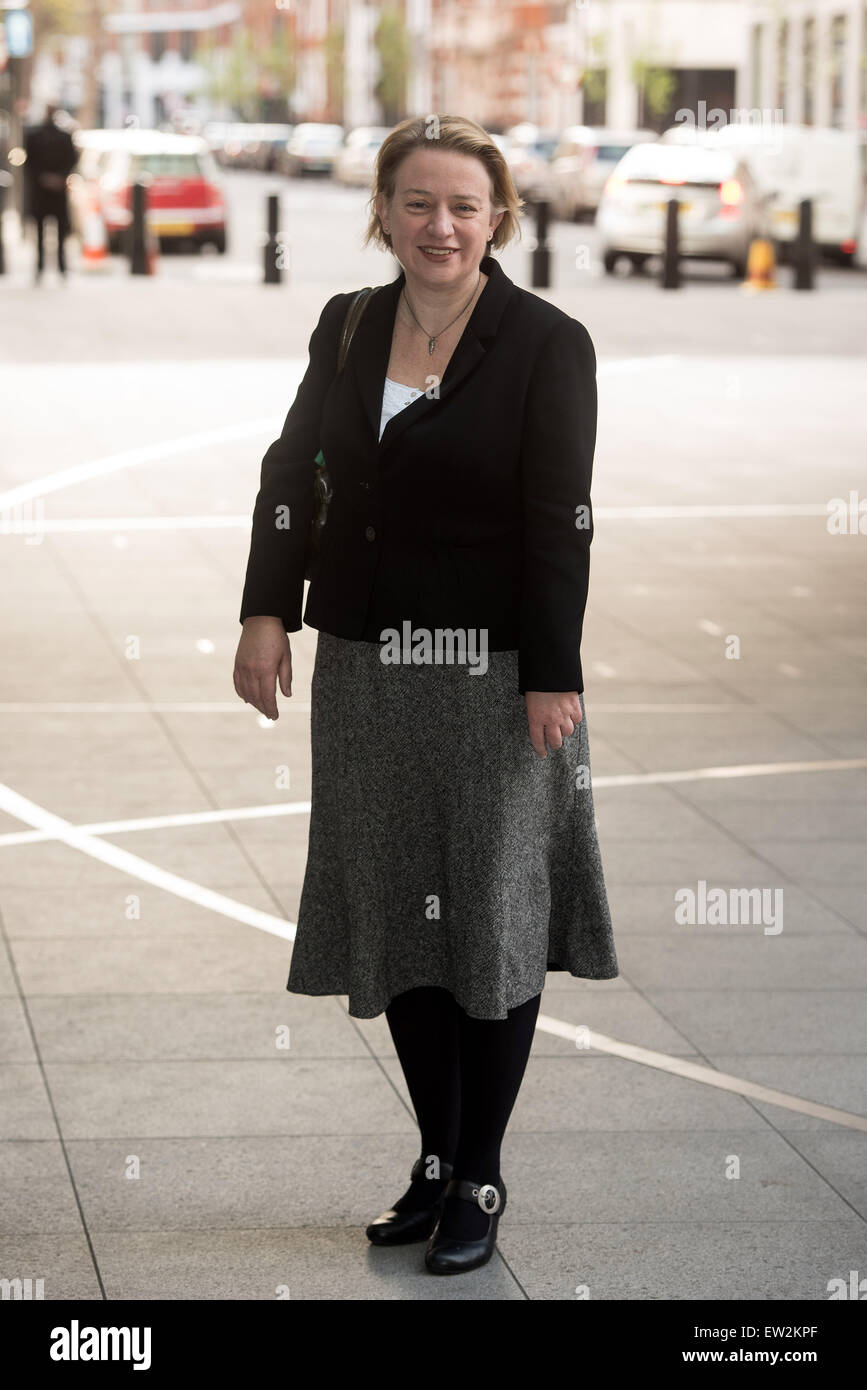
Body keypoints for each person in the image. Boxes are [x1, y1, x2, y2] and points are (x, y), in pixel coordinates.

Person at [234, 114, 619, 1276]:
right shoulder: (348, 325)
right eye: (416, 202)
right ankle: (437, 1159)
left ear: (499, 215)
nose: (440, 225)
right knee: (401, 910)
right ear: (384, 212)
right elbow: (292, 468)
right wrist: (267, 607)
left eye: (464, 204)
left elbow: (562, 515)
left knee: (493, 922)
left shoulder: (549, 343)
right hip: (366, 666)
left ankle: (482, 1168)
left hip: (496, 673)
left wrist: (556, 670)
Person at [23, 104, 78, 283]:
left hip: (52, 191)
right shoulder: (35, 136)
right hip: (45, 191)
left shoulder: (61, 136)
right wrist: (52, 178)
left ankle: (57, 268)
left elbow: (72, 159)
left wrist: (56, 178)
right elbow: (29, 163)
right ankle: (43, 268)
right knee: (42, 231)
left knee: (57, 232)